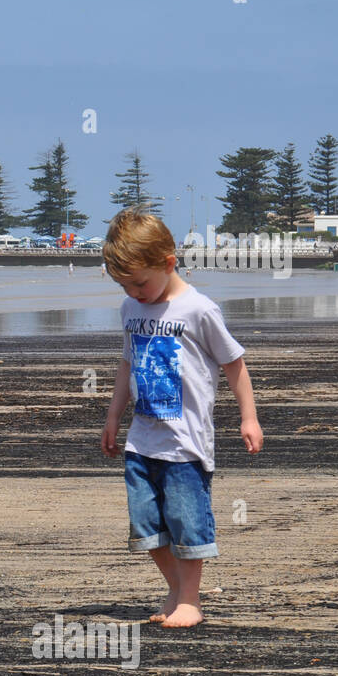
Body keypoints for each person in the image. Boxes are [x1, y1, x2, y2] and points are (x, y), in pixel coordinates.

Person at [100, 208, 263, 628]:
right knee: (146, 525)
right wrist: (113, 416)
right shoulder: (130, 309)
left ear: (168, 263)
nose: (134, 292)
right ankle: (176, 587)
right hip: (142, 439)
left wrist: (249, 417)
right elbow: (126, 364)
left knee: (187, 523)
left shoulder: (198, 310)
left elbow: (234, 363)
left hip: (186, 443)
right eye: (124, 285)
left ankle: (190, 599)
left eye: (140, 282)